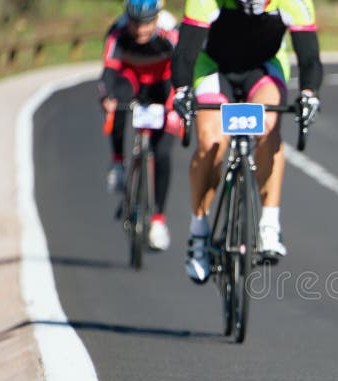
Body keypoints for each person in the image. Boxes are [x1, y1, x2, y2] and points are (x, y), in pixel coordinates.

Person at [171, 0, 323, 284]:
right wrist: (181, 89)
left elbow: (310, 59)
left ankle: (269, 223)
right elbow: (184, 52)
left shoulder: (293, 2)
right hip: (214, 67)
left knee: (268, 130)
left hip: (262, 69)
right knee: (211, 141)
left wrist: (309, 93)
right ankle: (199, 231)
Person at [99, 0, 179, 251]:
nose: (141, 31)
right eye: (135, 24)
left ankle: (158, 220)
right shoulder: (117, 31)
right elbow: (109, 72)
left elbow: (183, 68)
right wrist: (106, 97)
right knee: (119, 100)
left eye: (147, 24)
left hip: (163, 85)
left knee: (163, 152)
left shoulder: (171, 30)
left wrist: (175, 108)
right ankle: (118, 162)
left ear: (158, 17)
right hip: (132, 79)